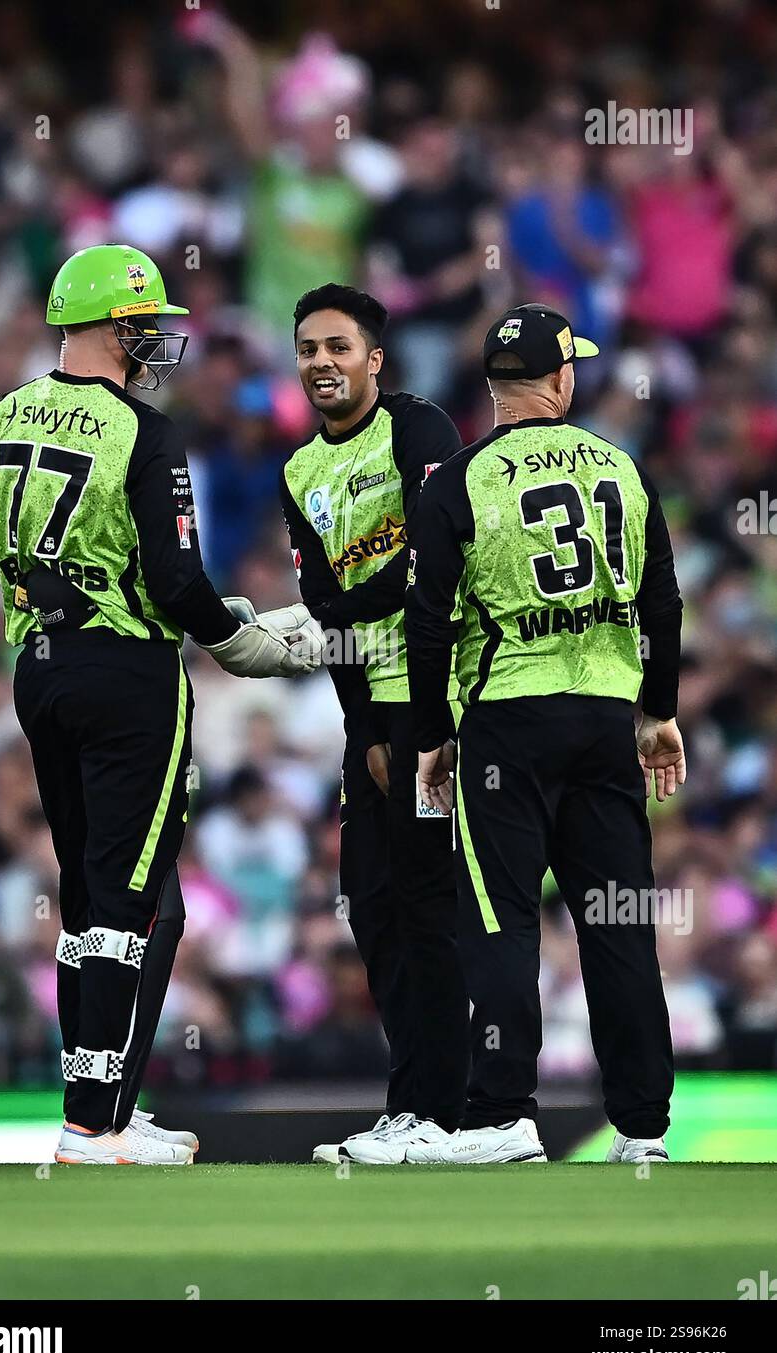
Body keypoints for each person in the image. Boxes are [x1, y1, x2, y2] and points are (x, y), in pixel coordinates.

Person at [0, 244, 321, 1165]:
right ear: (111, 325)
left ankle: (106, 1111)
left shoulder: (4, 413)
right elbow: (175, 580)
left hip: (37, 668)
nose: (155, 341)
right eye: (145, 324)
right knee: (127, 896)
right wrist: (244, 643)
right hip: (127, 673)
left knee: (88, 893)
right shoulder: (145, 432)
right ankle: (92, 1123)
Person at [404, 302, 684, 1164]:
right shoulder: (621, 470)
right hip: (605, 721)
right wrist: (659, 711)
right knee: (618, 924)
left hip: (505, 725)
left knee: (501, 922)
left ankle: (503, 1115)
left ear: (495, 387)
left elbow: (427, 622)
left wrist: (430, 737)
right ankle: (642, 1131)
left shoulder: (455, 480)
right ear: (562, 379)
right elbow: (662, 601)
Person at [280, 283, 470, 1163]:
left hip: (437, 708)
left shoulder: (420, 431)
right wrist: (367, 734)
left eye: (338, 348)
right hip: (373, 717)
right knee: (374, 907)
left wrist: (410, 729)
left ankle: (452, 1109)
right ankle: (415, 1106)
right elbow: (328, 610)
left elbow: (434, 569)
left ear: (374, 359)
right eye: (310, 349)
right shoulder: (296, 474)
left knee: (431, 904)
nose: (322, 363)